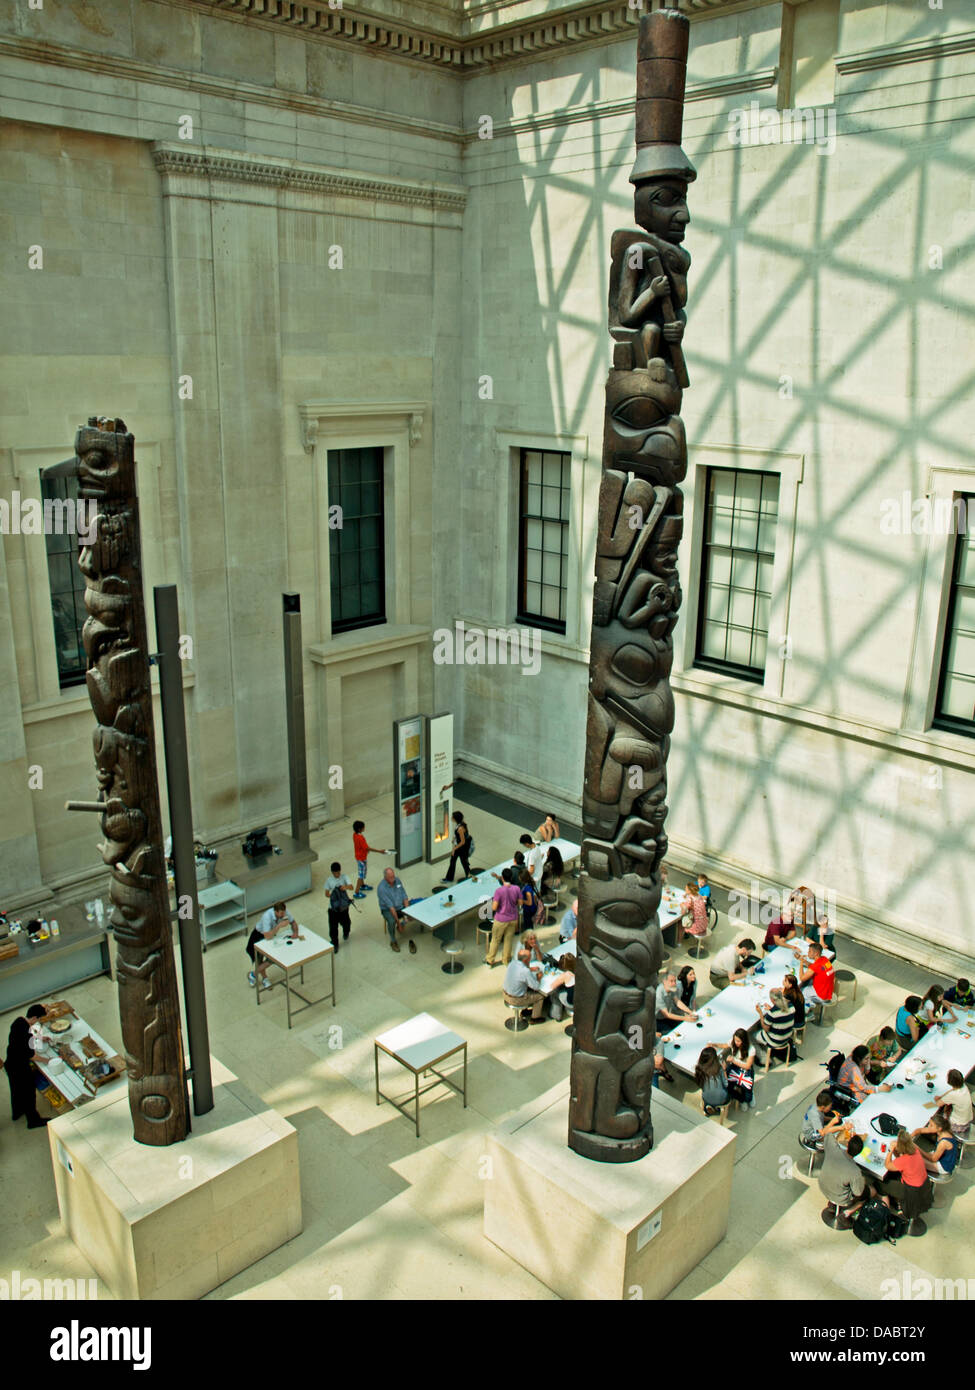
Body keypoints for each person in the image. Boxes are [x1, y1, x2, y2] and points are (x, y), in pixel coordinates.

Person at [5, 1011, 48, 1128]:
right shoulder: (26, 1034)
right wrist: (48, 1060)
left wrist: (40, 1038)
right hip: (20, 1069)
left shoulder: (18, 1021)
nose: (37, 1023)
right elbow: (32, 1056)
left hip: (10, 1064)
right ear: (34, 1017)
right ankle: (33, 1121)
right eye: (38, 1020)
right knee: (28, 1094)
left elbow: (26, 1036)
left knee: (16, 1091)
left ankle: (17, 1112)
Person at [819, 1117, 869, 1218]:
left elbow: (827, 1131)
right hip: (840, 1198)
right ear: (859, 1152)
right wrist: (862, 1180)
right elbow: (858, 1193)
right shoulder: (855, 1171)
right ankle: (849, 1211)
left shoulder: (833, 1149)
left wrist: (843, 1127)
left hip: (822, 1185)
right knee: (870, 1191)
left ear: (848, 1144)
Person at [881, 1130, 933, 1221]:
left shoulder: (904, 1160)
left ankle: (889, 1207)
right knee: (894, 1175)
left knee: (880, 1183)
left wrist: (891, 1150)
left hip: (910, 1191)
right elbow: (899, 1159)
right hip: (923, 1186)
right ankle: (896, 1200)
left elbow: (887, 1165)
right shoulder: (915, 1150)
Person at [245, 901, 299, 987]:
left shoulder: (284, 912)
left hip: (271, 936)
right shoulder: (267, 916)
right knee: (260, 960)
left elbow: (293, 922)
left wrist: (295, 932)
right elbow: (267, 936)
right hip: (259, 936)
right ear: (276, 911)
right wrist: (279, 926)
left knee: (272, 958)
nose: (283, 915)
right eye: (281, 913)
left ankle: (254, 974)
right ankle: (264, 978)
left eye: (284, 912)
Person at [486, 868, 523, 967]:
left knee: (495, 939)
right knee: (508, 939)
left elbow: (494, 907)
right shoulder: (516, 889)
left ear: (502, 878)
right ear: (511, 877)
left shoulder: (499, 891)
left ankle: (490, 960)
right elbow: (520, 903)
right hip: (513, 918)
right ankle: (506, 960)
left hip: (500, 919)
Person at [377, 866, 416, 954]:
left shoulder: (397, 881)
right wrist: (398, 923)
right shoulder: (381, 888)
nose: (393, 878)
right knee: (391, 921)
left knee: (414, 912)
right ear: (385, 877)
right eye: (391, 877)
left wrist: (407, 913)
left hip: (400, 906)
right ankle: (393, 941)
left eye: (393, 876)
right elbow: (391, 908)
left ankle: (403, 922)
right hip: (388, 909)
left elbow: (404, 896)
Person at [503, 948, 546, 1023]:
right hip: (515, 999)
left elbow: (519, 972)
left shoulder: (512, 963)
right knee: (540, 996)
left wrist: (530, 969)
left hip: (505, 994)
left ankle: (525, 1011)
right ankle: (535, 1018)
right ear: (526, 960)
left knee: (525, 987)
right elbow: (536, 987)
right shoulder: (525, 971)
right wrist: (539, 977)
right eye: (530, 957)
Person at [754, 988, 794, 1064]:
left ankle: (764, 1059)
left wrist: (761, 1014)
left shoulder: (772, 1013)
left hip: (776, 1041)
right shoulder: (791, 1006)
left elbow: (765, 1028)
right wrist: (771, 1008)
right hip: (787, 1037)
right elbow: (782, 1015)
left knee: (750, 1037)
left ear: (772, 999)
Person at [352, 820, 389, 899]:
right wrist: (380, 851)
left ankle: (362, 885)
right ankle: (356, 892)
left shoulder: (354, 835)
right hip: (361, 859)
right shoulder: (360, 838)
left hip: (360, 857)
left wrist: (365, 850)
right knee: (361, 875)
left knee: (363, 873)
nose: (364, 828)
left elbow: (363, 847)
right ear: (359, 829)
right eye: (363, 827)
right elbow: (367, 848)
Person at [793, 941, 834, 1012]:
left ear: (816, 953)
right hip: (828, 991)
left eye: (809, 951)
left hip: (822, 995)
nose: (807, 953)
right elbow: (816, 967)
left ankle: (807, 1009)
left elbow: (802, 978)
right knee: (808, 981)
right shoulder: (824, 959)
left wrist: (801, 964)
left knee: (800, 991)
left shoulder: (816, 966)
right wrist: (801, 959)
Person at [324, 861, 353, 951]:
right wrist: (333, 895)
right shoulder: (329, 880)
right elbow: (326, 893)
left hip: (343, 907)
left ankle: (346, 932)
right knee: (333, 927)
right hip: (333, 908)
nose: (337, 874)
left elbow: (351, 886)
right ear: (332, 872)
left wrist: (345, 887)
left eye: (338, 872)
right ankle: (335, 943)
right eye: (335, 872)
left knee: (346, 923)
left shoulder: (344, 877)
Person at [722, 1028, 756, 1107]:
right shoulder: (733, 1042)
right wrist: (713, 1044)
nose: (736, 1042)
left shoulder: (751, 1049)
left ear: (743, 1041)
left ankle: (748, 1094)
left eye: (738, 1041)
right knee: (727, 1087)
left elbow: (747, 1066)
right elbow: (724, 1045)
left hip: (746, 1071)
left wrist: (733, 1060)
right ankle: (741, 1099)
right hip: (734, 1068)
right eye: (735, 1040)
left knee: (749, 1099)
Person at [935, 1070, 973, 1139]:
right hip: (967, 1120)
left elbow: (938, 1104)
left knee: (938, 1118)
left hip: (958, 1125)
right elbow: (952, 1090)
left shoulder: (953, 1095)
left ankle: (939, 1137)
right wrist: (941, 1096)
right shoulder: (964, 1086)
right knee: (948, 1107)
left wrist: (938, 1098)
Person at [695, 1047, 729, 1116]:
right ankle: (716, 1108)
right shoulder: (719, 1068)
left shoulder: (699, 1068)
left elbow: (700, 1084)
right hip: (721, 1099)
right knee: (729, 1090)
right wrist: (725, 1070)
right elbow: (726, 1084)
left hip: (706, 1097)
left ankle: (707, 1107)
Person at [441, 810, 471, 883]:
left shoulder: (460, 828)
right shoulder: (460, 824)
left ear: (455, 819)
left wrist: (455, 848)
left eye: (452, 817)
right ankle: (449, 878)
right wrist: (454, 838)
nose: (451, 818)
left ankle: (469, 875)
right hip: (459, 847)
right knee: (453, 861)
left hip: (461, 848)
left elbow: (462, 841)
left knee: (464, 862)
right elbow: (458, 835)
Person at [781, 972, 806, 1060]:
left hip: (796, 1022)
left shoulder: (789, 995)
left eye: (785, 981)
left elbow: (781, 1005)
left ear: (790, 985)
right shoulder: (797, 991)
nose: (783, 982)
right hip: (802, 1018)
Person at [547, 953, 576, 1022]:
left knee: (554, 993)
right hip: (579, 997)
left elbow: (552, 986)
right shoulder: (578, 968)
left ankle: (556, 1015)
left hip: (572, 1003)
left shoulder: (566, 975)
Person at [518, 868, 540, 933]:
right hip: (533, 908)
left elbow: (529, 902)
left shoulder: (527, 888)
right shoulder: (531, 883)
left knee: (528, 926)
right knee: (530, 924)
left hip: (528, 910)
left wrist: (521, 900)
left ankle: (529, 936)